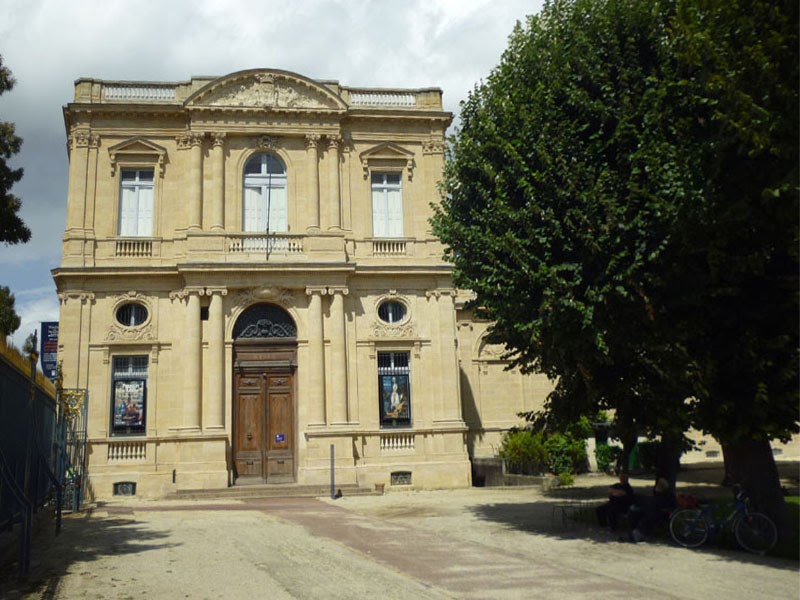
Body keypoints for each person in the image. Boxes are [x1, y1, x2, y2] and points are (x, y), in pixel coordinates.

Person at [628, 476, 677, 543]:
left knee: (644, 514)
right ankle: (635, 532)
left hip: (660, 513)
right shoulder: (661, 494)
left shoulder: (667, 496)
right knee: (637, 511)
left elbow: (662, 505)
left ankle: (637, 533)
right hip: (655, 511)